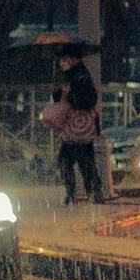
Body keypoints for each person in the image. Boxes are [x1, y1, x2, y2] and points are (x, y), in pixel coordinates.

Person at [49, 50, 106, 208]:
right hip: (75, 128)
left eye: (65, 59)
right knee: (78, 162)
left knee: (77, 161)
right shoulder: (73, 77)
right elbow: (63, 103)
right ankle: (87, 192)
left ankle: (84, 192)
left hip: (80, 128)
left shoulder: (80, 77)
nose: (62, 63)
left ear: (73, 60)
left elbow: (86, 100)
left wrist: (68, 94)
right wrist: (58, 93)